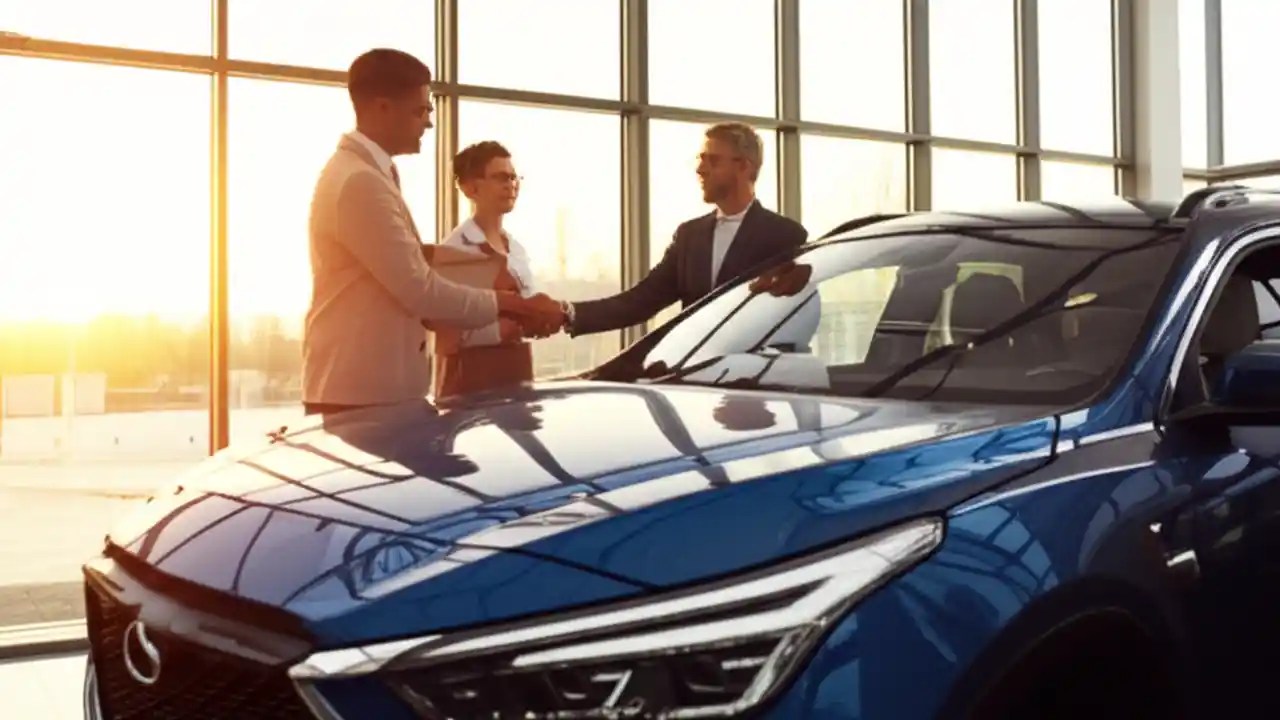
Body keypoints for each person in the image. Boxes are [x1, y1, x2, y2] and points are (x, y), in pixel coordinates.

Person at [302, 48, 561, 415]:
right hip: (362, 393)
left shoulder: (365, 174)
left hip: (367, 389)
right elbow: (420, 290)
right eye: (420, 110)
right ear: (382, 108)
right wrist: (513, 305)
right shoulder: (360, 182)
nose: (428, 123)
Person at [560, 121, 809, 337]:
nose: (700, 170)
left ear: (744, 166)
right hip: (695, 380)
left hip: (758, 382)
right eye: (700, 160)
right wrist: (568, 313)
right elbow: (641, 301)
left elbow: (797, 317)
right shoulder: (690, 236)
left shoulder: (786, 236)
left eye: (712, 160)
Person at [433, 140, 540, 397]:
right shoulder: (454, 250)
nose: (511, 185)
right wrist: (499, 331)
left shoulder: (517, 250)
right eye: (501, 177)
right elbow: (446, 334)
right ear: (471, 188)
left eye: (514, 177)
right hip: (469, 380)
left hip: (516, 372)